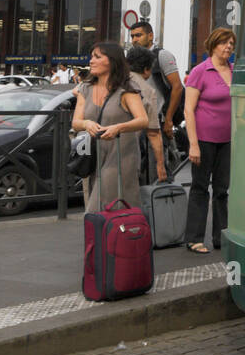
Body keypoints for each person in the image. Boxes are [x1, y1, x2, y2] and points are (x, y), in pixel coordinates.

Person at [71, 43, 147, 212]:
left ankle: (114, 236)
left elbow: (143, 120)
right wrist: (86, 123)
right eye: (91, 56)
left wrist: (118, 127)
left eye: (97, 57)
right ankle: (111, 237)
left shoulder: (127, 90)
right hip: (92, 155)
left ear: (112, 62)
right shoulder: (85, 88)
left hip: (120, 156)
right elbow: (76, 122)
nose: (91, 61)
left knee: (99, 207)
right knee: (102, 206)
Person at [183, 27, 235, 253]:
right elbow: (188, 109)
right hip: (203, 139)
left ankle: (220, 237)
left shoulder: (235, 71)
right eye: (224, 43)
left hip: (228, 140)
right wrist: (193, 144)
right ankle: (194, 238)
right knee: (200, 187)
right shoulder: (200, 71)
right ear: (213, 45)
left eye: (232, 43)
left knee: (223, 190)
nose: (229, 47)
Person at [129, 21, 185, 146]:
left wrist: (169, 119)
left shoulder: (162, 55)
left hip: (159, 119)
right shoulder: (131, 57)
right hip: (138, 119)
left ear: (150, 36)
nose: (134, 40)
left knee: (158, 160)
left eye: (138, 35)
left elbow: (177, 87)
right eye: (132, 36)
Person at [125, 46, 169, 185]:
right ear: (146, 69)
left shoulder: (111, 82)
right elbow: (154, 133)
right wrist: (160, 165)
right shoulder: (148, 91)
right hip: (129, 152)